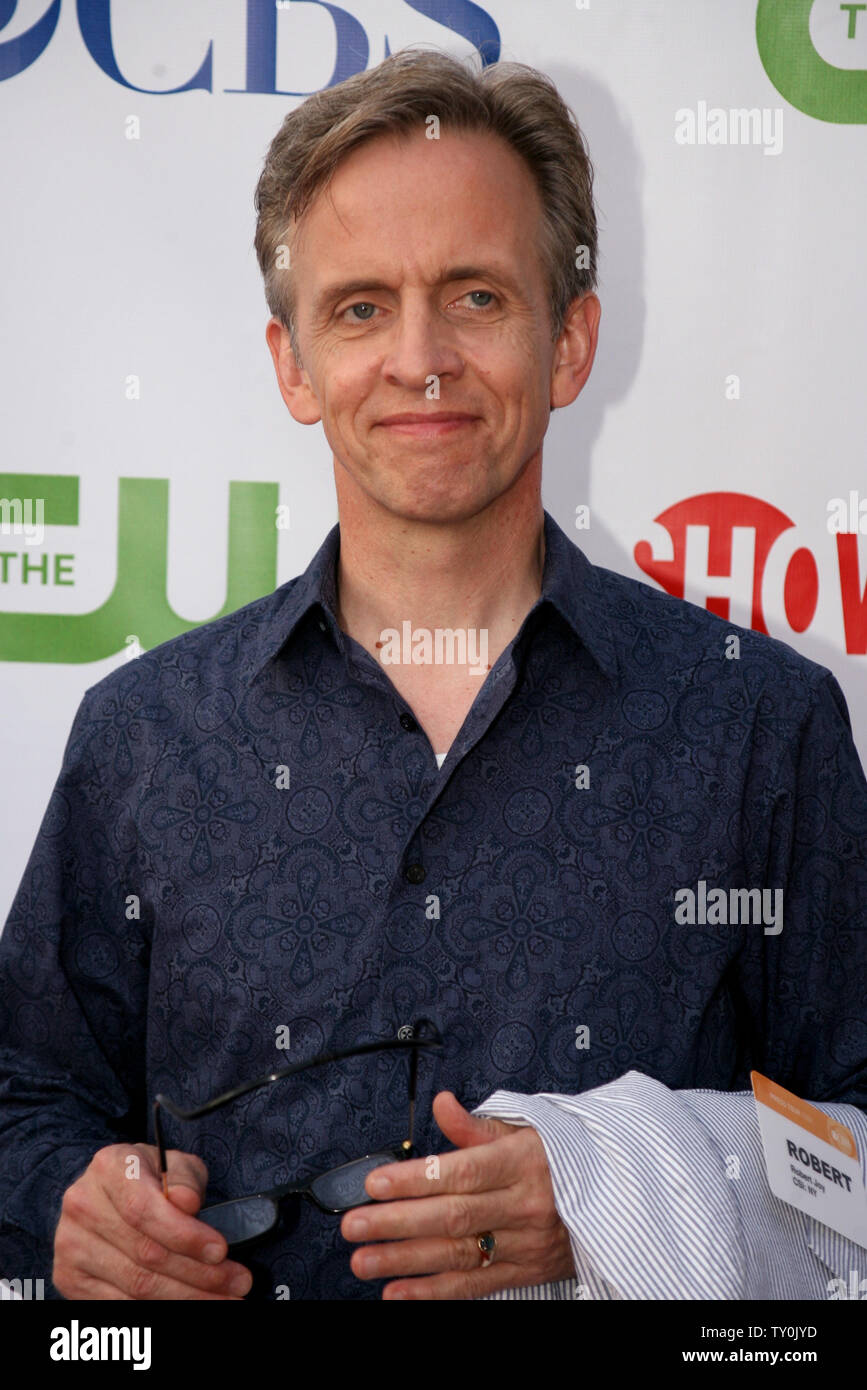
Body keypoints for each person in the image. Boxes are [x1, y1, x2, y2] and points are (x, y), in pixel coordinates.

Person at [1, 48, 865, 1303]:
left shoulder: (761, 728)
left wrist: (614, 1196)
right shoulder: (142, 738)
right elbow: (25, 1096)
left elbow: (852, 1148)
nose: (421, 358)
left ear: (568, 343)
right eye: (359, 307)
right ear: (294, 366)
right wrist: (72, 1208)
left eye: (475, 297)